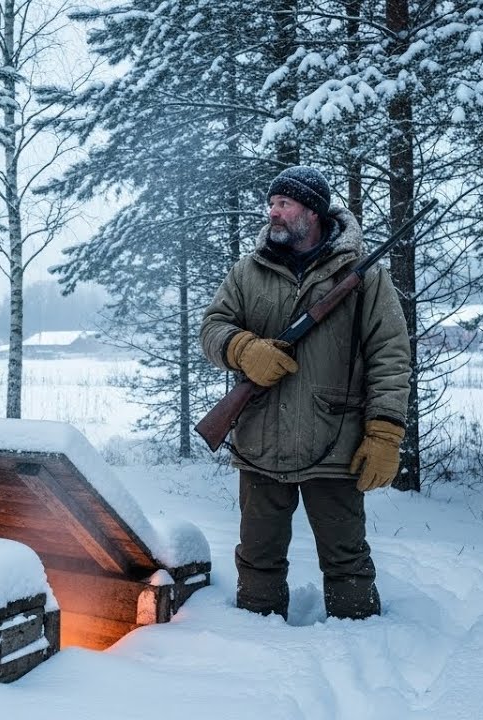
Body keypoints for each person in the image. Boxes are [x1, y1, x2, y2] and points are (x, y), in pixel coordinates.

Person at [199, 166, 411, 621]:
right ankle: (253, 646)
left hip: (335, 442)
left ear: (311, 212)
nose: (273, 213)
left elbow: (390, 356)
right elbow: (211, 329)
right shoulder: (247, 271)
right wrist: (243, 349)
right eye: (271, 204)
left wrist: (385, 433)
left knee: (347, 561)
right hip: (260, 442)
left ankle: (362, 643)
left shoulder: (365, 276)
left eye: (284, 204)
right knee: (257, 560)